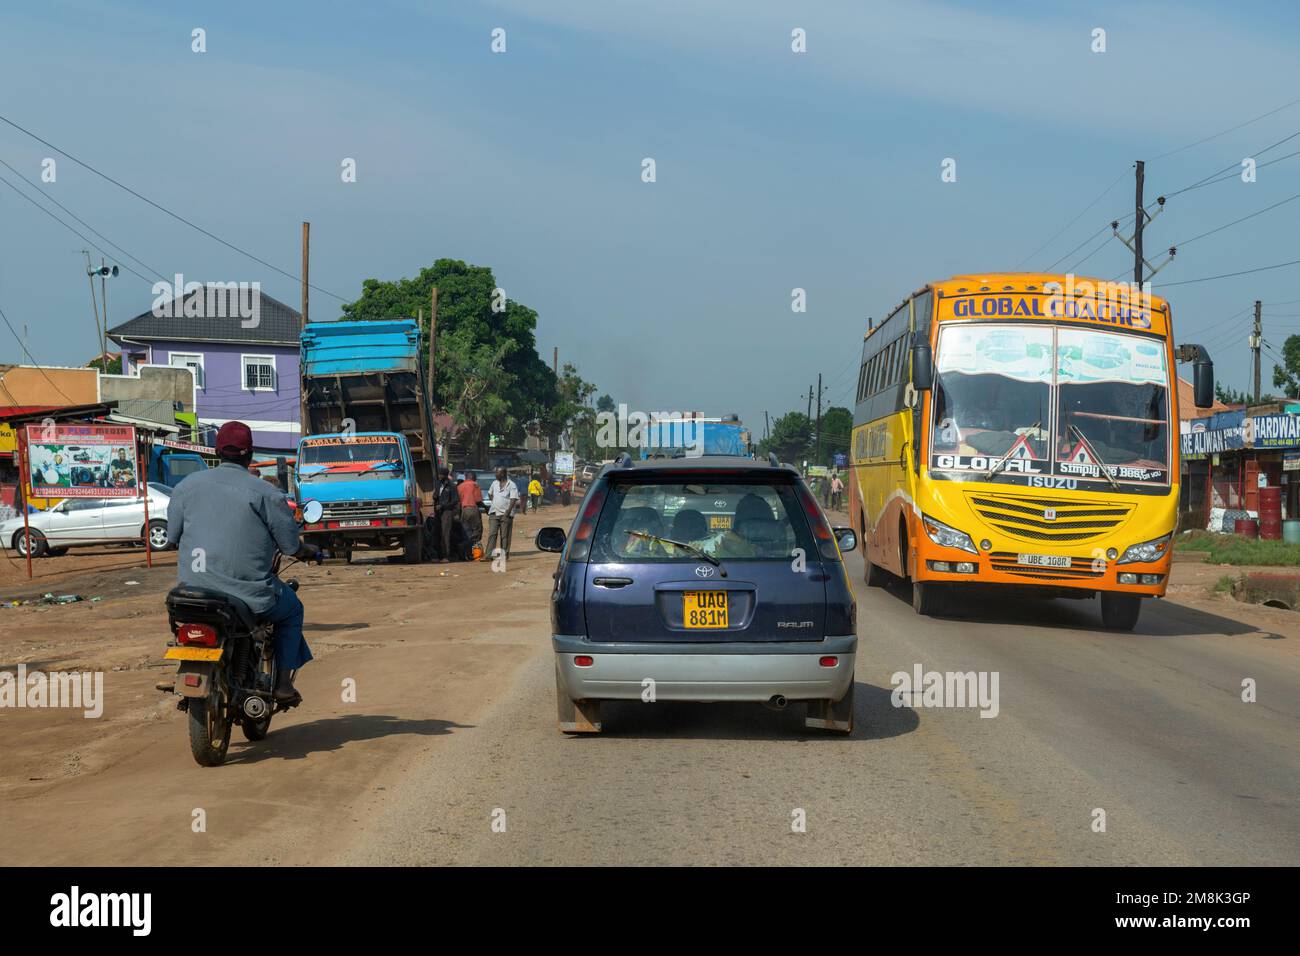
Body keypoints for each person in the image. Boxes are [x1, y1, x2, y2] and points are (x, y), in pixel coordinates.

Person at [166, 421, 317, 702]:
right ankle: (283, 685)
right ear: (250, 455)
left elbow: (172, 537)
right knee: (292, 610)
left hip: (191, 592)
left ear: (217, 451)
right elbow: (289, 544)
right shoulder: (266, 493)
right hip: (247, 595)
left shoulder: (186, 487)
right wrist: (306, 551)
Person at [484, 466, 520, 561]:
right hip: (494, 512)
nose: (496, 475)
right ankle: (488, 555)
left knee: (505, 536)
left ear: (503, 474)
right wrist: (494, 502)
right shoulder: (494, 483)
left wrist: (507, 512)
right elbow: (490, 493)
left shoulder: (511, 485)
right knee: (492, 534)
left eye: (497, 473)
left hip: (506, 514)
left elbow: (513, 499)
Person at [433, 466, 459, 562]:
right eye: (438, 474)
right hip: (438, 512)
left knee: (445, 534)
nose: (439, 476)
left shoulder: (451, 485)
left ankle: (446, 556)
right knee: (437, 533)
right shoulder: (438, 484)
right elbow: (436, 496)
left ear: (445, 475)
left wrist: (443, 506)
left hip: (447, 512)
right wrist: (435, 496)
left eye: (441, 474)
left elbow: (455, 500)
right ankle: (437, 555)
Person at [458, 469, 484, 559]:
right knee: (477, 531)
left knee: (466, 532)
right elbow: (478, 501)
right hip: (473, 509)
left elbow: (458, 501)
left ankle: (468, 553)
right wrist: (486, 508)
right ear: (472, 477)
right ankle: (464, 547)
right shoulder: (475, 485)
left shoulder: (460, 486)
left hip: (463, 510)